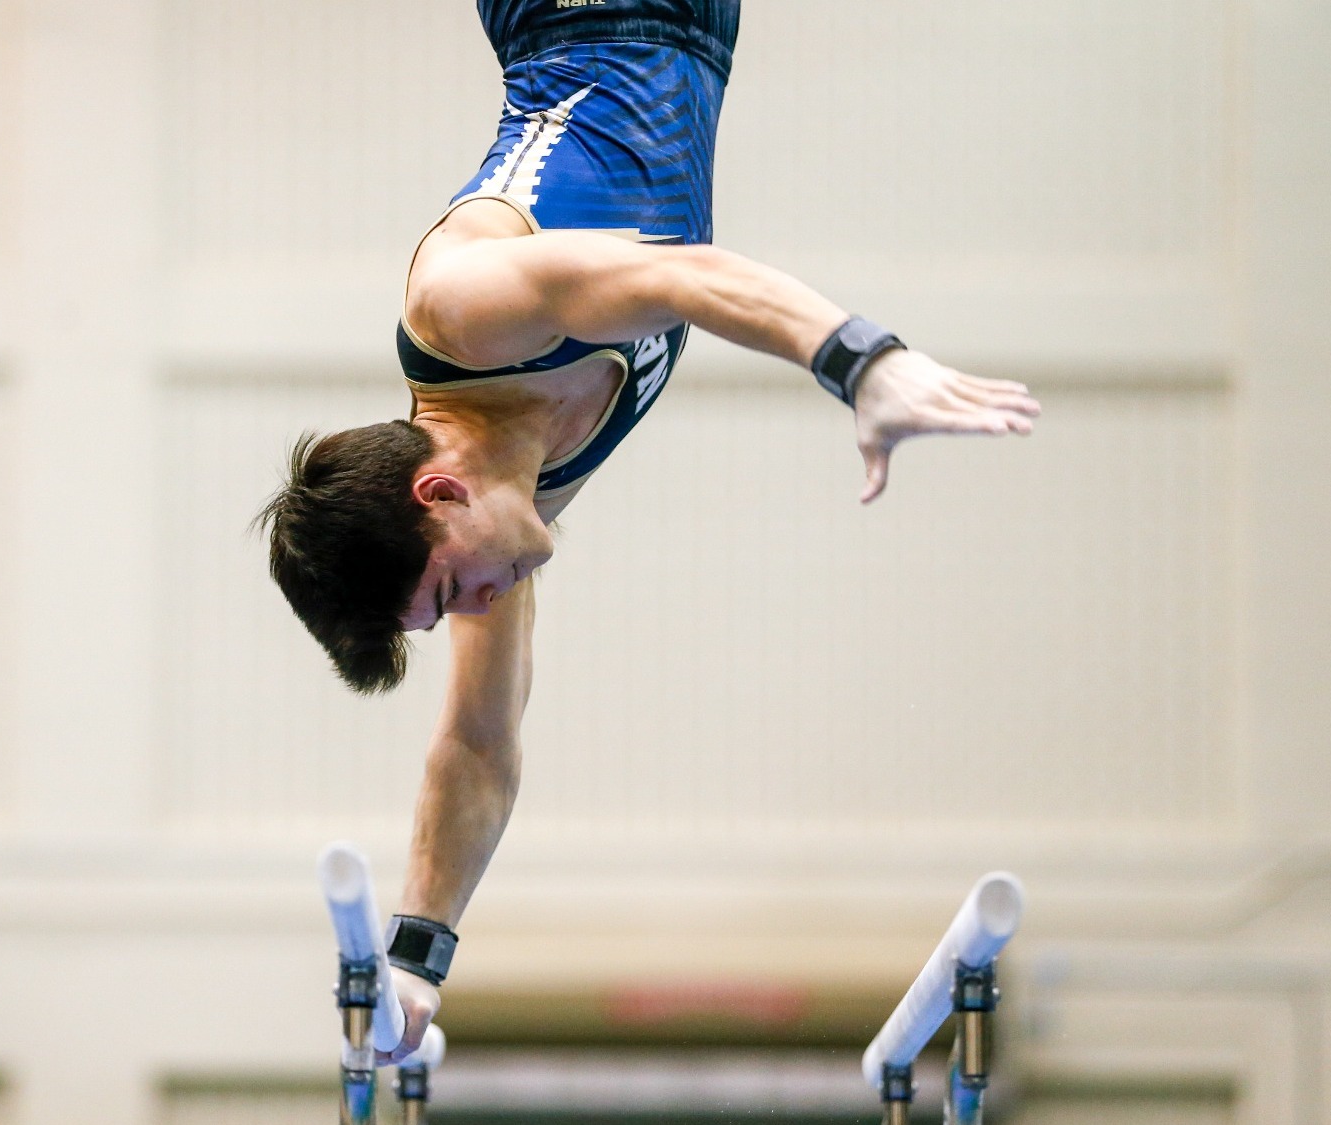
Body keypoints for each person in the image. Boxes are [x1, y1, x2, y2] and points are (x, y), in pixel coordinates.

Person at [257, 0, 1040, 1062]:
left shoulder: (462, 310)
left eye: (449, 592)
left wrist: (865, 364)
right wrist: (415, 960)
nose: (478, 606)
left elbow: (685, 276)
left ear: (436, 494)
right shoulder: (519, 496)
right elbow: (478, 741)